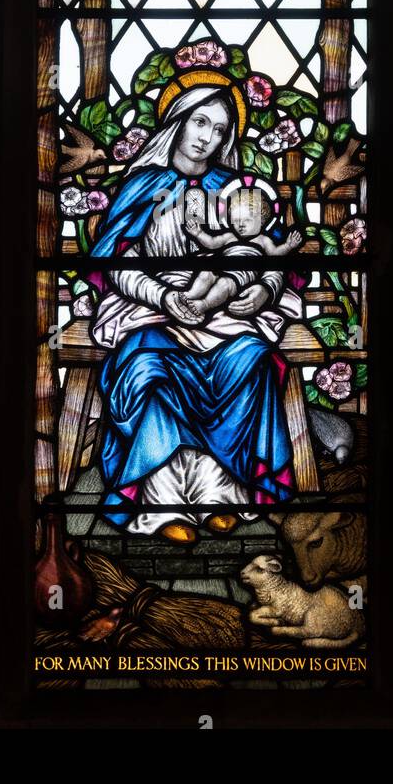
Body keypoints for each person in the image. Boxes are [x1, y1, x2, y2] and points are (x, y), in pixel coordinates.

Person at [86, 65, 304, 545]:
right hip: (150, 307)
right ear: (179, 121)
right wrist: (165, 296)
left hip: (226, 314)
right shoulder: (141, 187)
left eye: (220, 129)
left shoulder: (234, 191)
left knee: (252, 364)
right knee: (151, 368)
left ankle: (218, 496)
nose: (207, 138)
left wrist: (264, 292)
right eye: (200, 122)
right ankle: (162, 505)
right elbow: (116, 266)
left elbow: (266, 255)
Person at [177, 181, 303, 324]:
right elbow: (212, 244)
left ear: (261, 220)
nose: (241, 225)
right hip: (221, 266)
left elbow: (275, 254)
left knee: (224, 284)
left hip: (241, 274)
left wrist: (288, 246)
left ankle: (204, 305)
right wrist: (199, 234)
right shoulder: (229, 236)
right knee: (206, 273)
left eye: (247, 220)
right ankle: (189, 295)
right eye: (236, 221)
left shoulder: (262, 240)